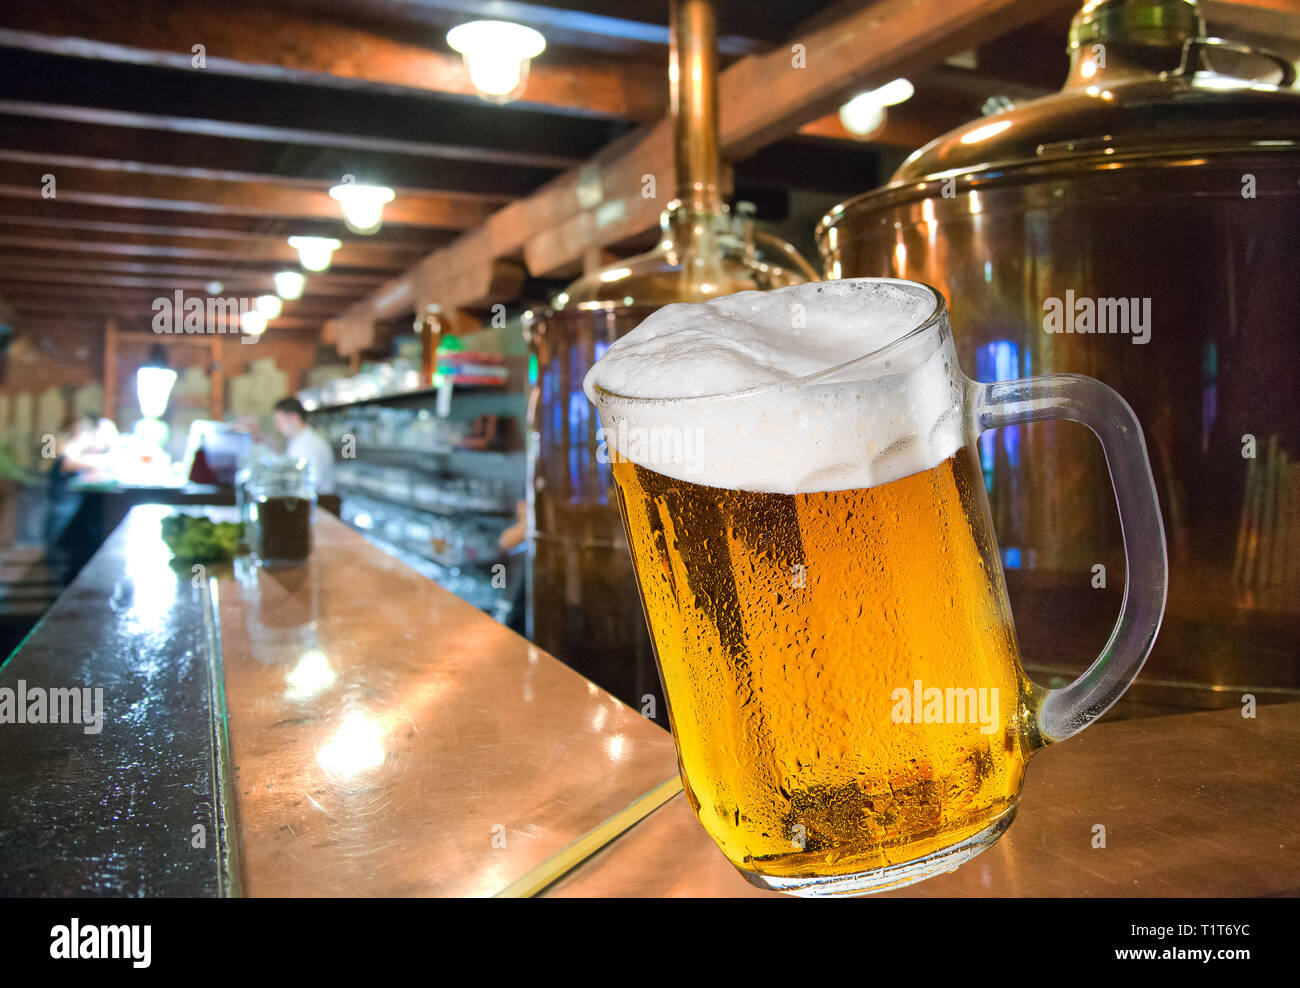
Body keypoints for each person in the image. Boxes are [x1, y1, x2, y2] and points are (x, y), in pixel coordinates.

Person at [271, 396, 336, 495]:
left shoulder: (312, 444)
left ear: (294, 417)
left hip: (318, 503)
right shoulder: (296, 440)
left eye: (279, 421)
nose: (277, 426)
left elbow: (313, 483)